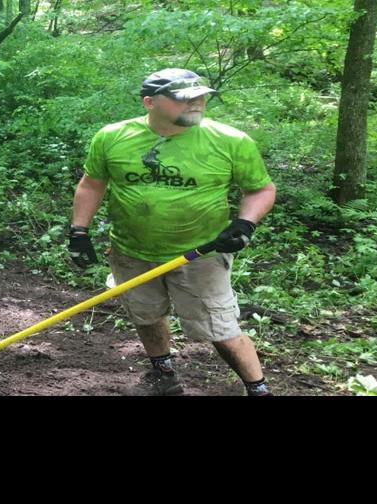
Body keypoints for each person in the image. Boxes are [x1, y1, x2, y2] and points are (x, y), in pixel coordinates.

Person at [68, 68, 277, 396]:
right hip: (131, 251)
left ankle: (258, 389)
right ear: (149, 102)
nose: (197, 102)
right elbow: (92, 183)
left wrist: (245, 223)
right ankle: (163, 374)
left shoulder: (230, 141)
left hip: (201, 253)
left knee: (220, 327)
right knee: (146, 314)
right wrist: (78, 231)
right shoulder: (112, 137)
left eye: (201, 95)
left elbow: (261, 190)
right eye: (184, 98)